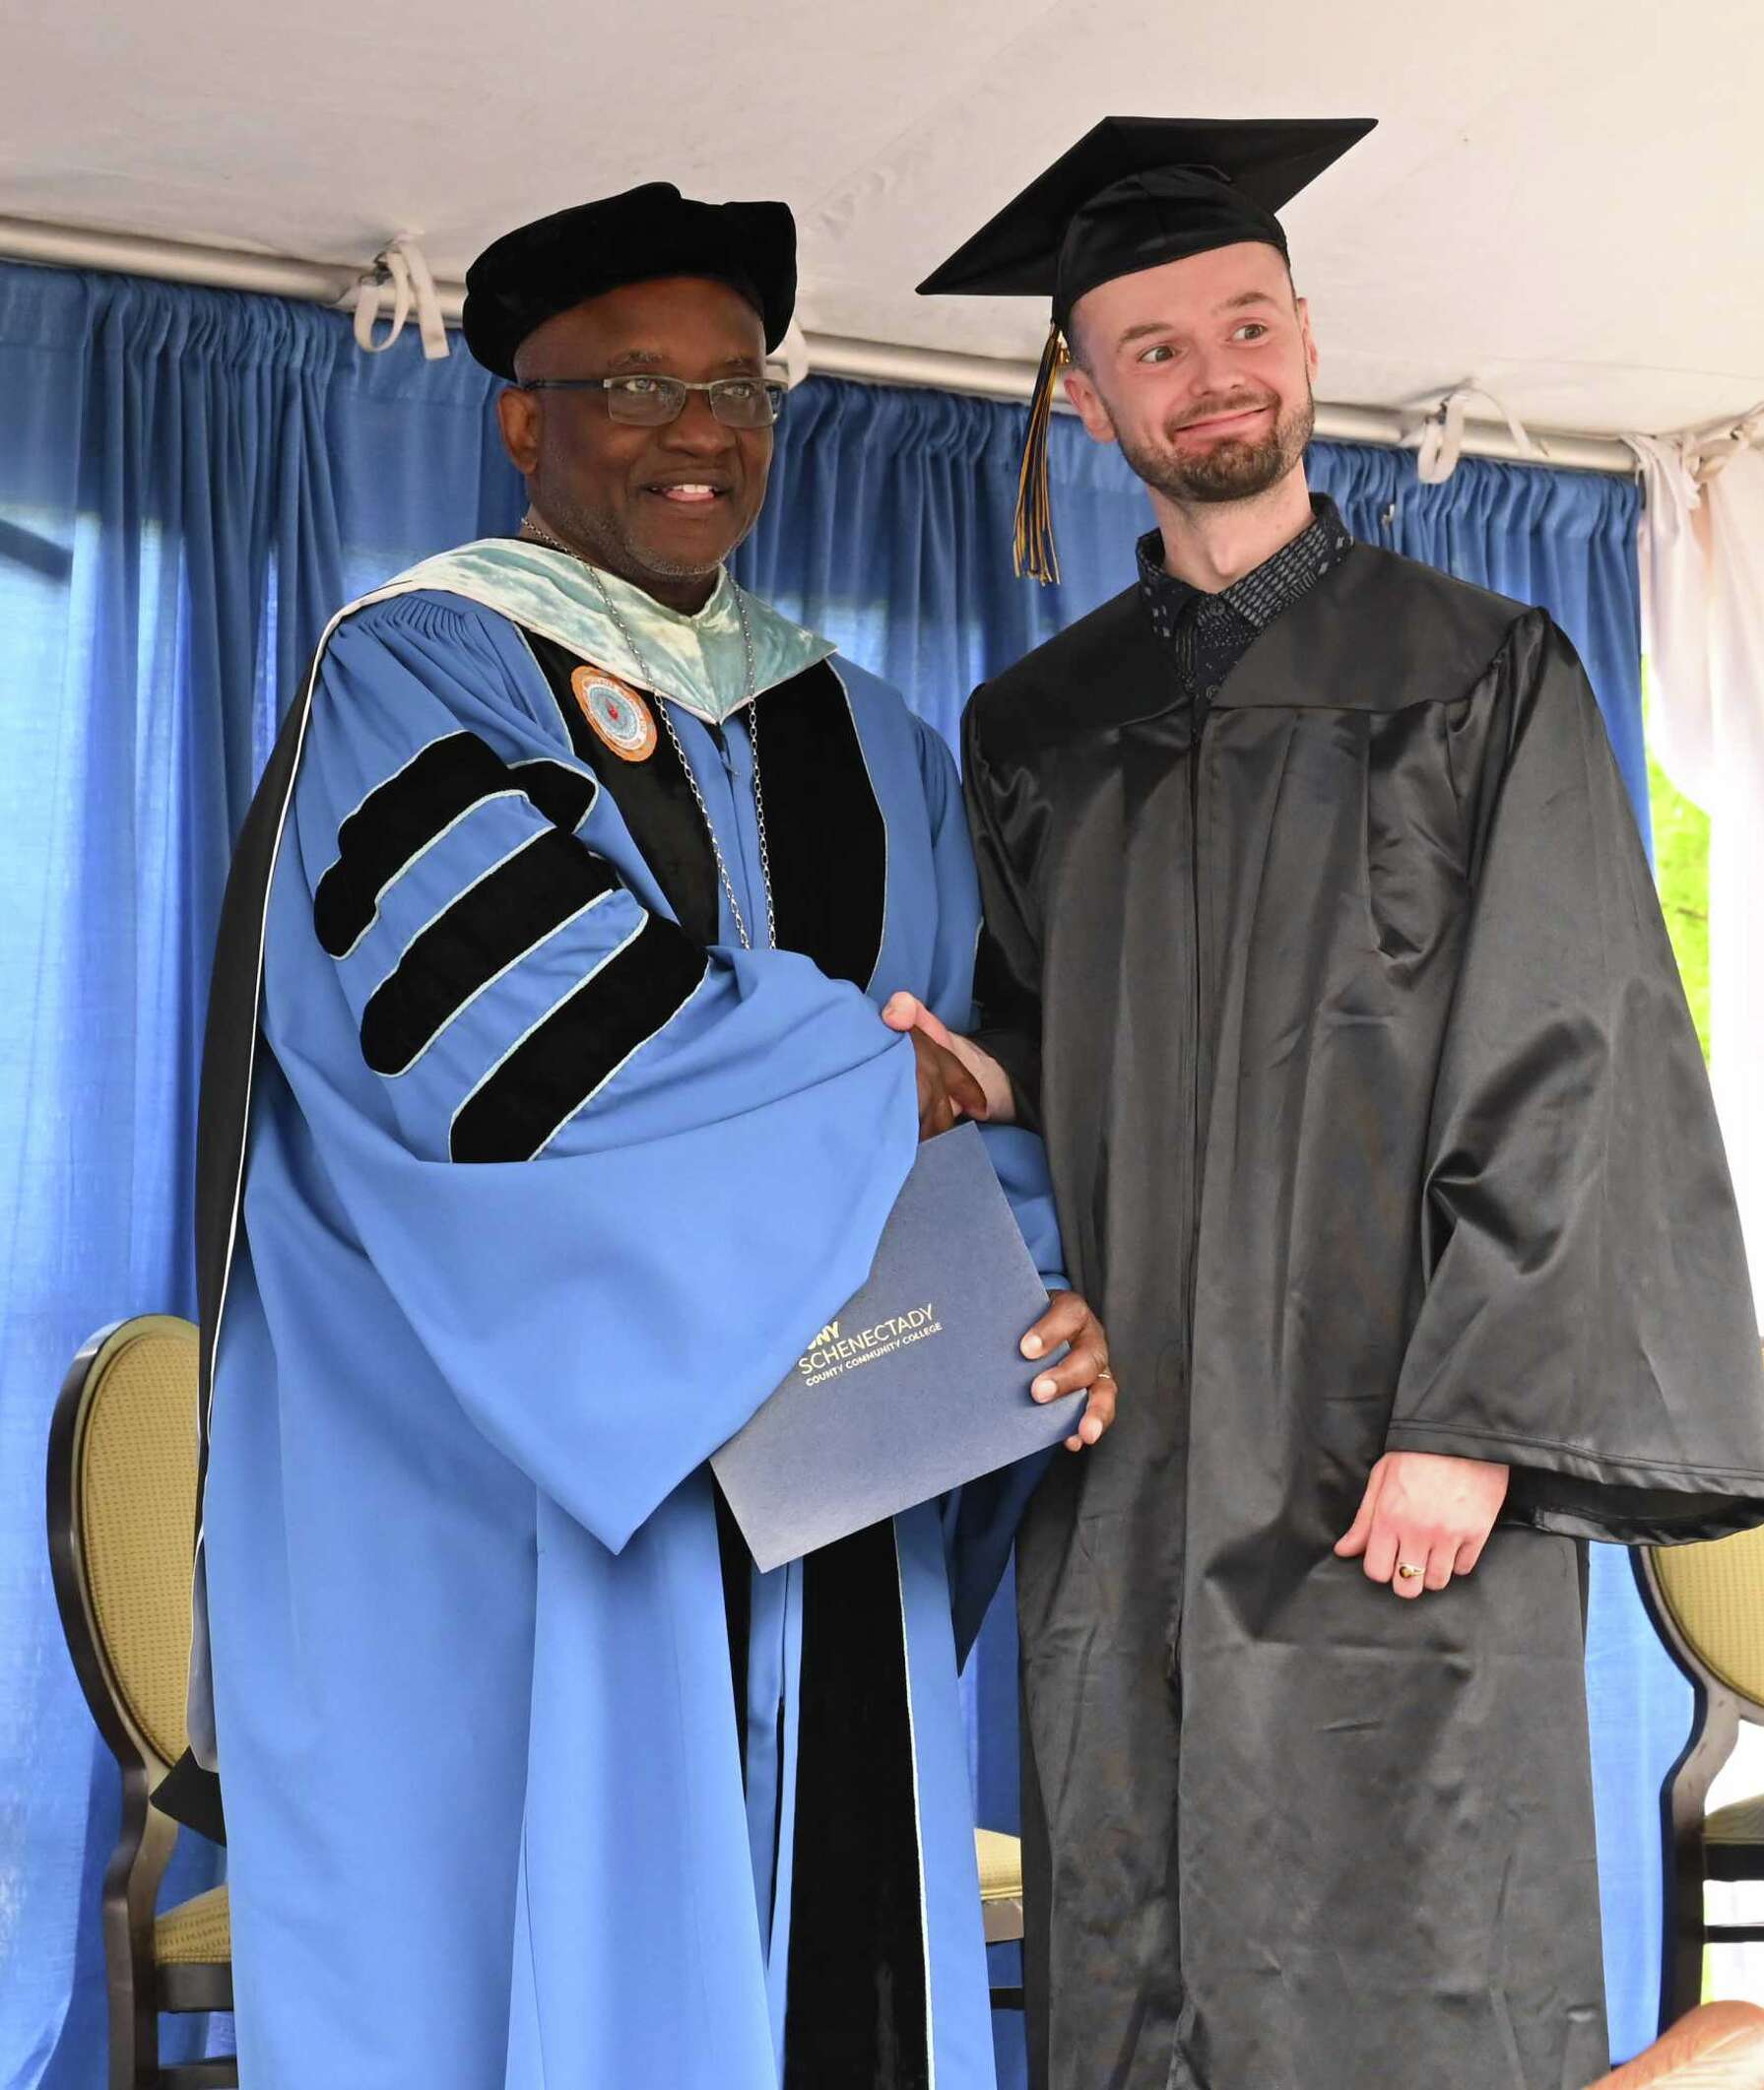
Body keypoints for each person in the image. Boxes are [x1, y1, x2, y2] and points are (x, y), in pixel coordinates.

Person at [177, 181, 1115, 2090]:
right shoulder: (417, 666)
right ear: (522, 419)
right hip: (516, 1463)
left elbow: (1002, 1055)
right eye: (635, 387)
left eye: (738, 391)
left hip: (847, 1448)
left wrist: (1035, 1263)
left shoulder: (868, 727)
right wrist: (874, 1084)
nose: (701, 432)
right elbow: (494, 1035)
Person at [892, 116, 1764, 2090]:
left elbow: (1575, 1054)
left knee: (1413, 1961)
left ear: (1302, 332)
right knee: (1141, 1953)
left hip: (1391, 1463)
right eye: (1156, 346)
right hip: (1130, 1477)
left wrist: (1473, 1423)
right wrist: (986, 1080)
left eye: (1246, 323)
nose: (1217, 374)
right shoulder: (1038, 731)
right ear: (1089, 393)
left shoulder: (1481, 675)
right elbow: (1060, 1044)